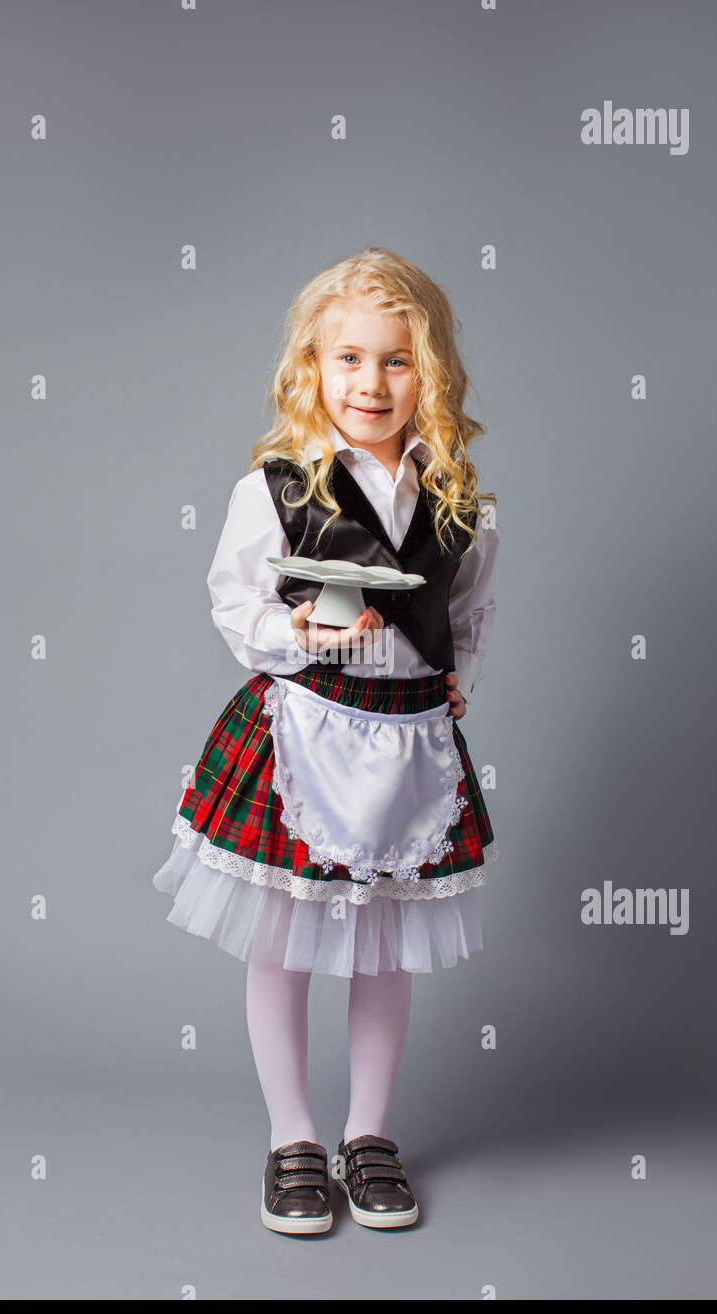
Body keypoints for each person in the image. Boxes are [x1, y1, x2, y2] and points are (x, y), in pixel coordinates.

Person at [152, 246, 501, 1235]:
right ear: (311, 367)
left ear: (427, 372)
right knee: (284, 938)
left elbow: (472, 609)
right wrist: (299, 632)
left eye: (394, 362)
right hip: (304, 727)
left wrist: (456, 684)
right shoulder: (276, 488)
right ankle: (292, 1138)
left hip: (408, 737)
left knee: (383, 945)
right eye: (346, 359)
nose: (369, 382)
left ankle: (368, 1134)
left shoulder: (458, 497)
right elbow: (234, 601)